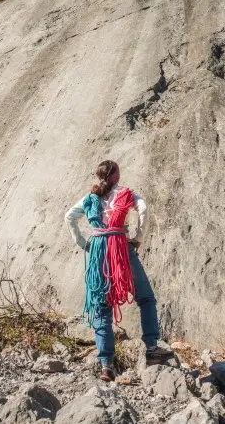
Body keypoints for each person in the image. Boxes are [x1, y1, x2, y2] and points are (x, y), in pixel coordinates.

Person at [65, 159, 173, 381]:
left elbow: (69, 216)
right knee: (145, 298)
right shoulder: (125, 193)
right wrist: (138, 238)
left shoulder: (90, 198)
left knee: (101, 305)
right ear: (116, 175)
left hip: (98, 251)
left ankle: (107, 365)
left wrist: (83, 243)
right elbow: (143, 209)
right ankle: (152, 348)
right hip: (122, 249)